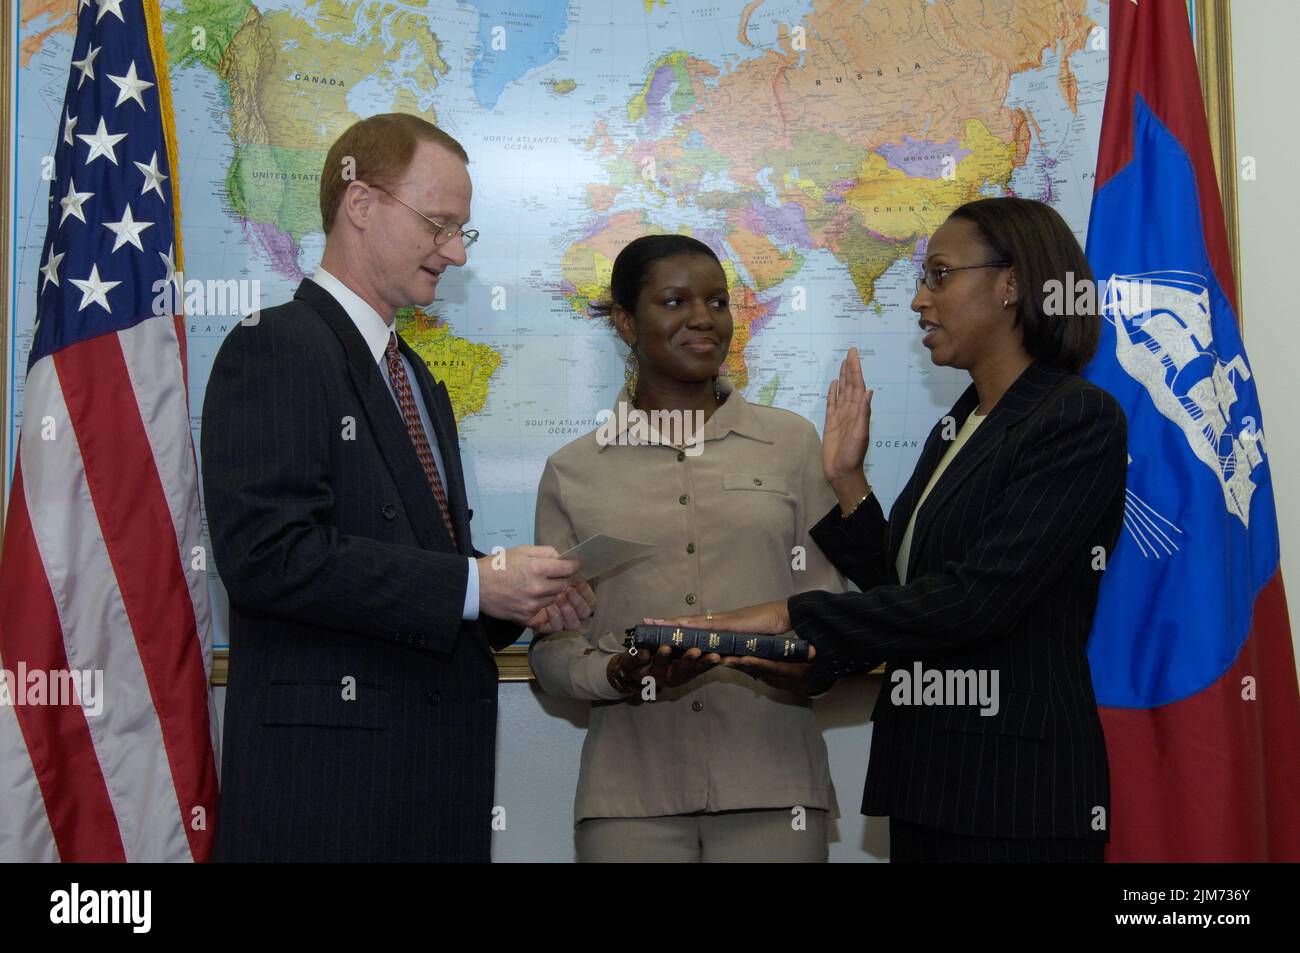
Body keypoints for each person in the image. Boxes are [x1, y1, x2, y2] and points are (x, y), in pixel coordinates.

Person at [669, 197, 1127, 862]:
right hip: (930, 778)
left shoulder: (1076, 417)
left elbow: (980, 598)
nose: (919, 299)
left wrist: (793, 614)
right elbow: (911, 590)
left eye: (939, 275)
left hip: (1017, 793)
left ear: (1011, 284)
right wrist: (848, 481)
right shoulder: (963, 422)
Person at [202, 114, 594, 862]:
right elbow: (270, 556)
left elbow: (419, 568)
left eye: (462, 232)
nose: (452, 251)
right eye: (438, 223)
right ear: (361, 204)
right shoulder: (274, 344)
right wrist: (475, 584)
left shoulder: (415, 375)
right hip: (330, 802)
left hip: (429, 794)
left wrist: (517, 597)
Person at [530, 234, 847, 862]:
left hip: (774, 786)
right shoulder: (574, 471)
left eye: (718, 301)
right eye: (675, 301)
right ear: (625, 322)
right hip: (630, 798)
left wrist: (806, 660)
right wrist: (619, 673)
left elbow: (828, 610)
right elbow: (553, 646)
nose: (704, 319)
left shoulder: (792, 446)